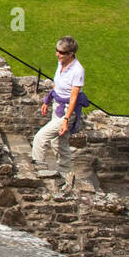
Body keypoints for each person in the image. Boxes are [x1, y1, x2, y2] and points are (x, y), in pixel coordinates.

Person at [32, 36, 90, 189]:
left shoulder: (78, 70)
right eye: (57, 51)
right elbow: (57, 86)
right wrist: (47, 100)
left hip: (66, 111)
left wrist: (66, 119)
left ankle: (38, 172)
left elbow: (73, 97)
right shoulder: (61, 63)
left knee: (40, 137)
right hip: (58, 105)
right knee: (59, 142)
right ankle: (67, 177)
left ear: (71, 54)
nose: (58, 54)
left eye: (62, 52)